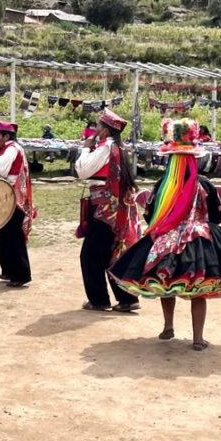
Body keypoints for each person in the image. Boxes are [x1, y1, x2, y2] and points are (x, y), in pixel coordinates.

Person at [108, 118, 221, 350]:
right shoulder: (204, 184)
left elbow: (149, 215)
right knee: (199, 290)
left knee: (166, 282)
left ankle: (168, 327)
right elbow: (217, 216)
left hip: (165, 242)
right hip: (200, 242)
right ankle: (197, 339)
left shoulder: (162, 185)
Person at [74, 109, 141, 312]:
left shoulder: (105, 149)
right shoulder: (117, 149)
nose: (96, 130)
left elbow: (82, 170)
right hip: (114, 207)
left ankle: (99, 300)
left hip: (104, 208)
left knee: (91, 255)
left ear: (105, 131)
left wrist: (86, 149)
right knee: (111, 252)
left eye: (99, 126)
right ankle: (126, 298)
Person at [0, 121, 36, 287]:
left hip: (14, 197)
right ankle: (9, 270)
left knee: (13, 235)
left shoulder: (11, 148)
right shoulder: (10, 148)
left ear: (6, 136)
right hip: (10, 195)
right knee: (4, 233)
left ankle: (21, 274)